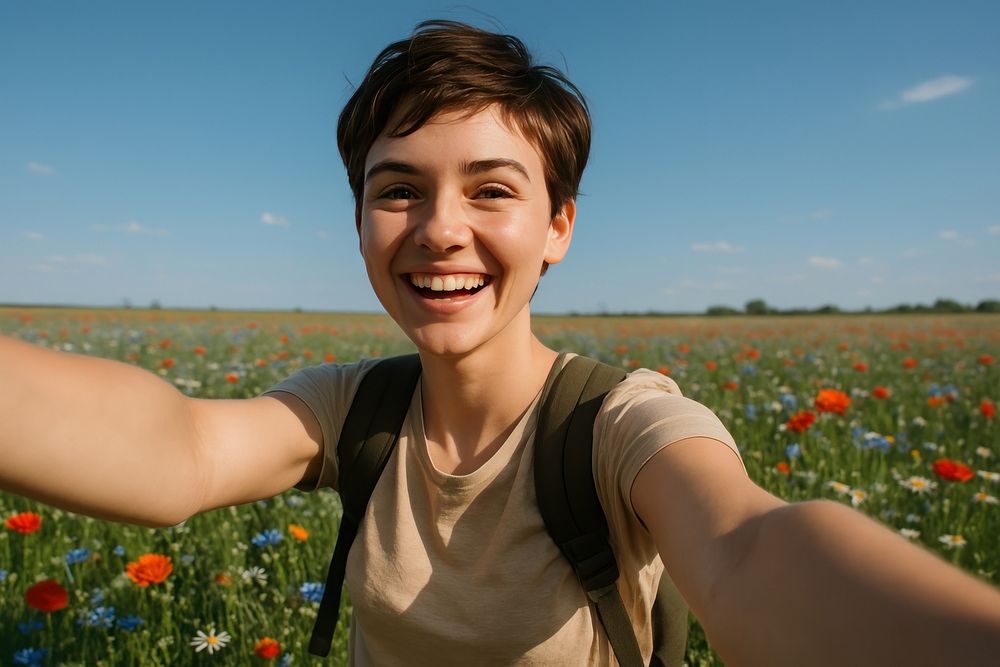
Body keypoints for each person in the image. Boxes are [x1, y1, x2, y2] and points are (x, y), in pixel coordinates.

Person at [1, 20, 998, 666]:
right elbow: (178, 448)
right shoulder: (351, 410)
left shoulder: (618, 425)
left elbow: (744, 550)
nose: (440, 229)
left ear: (558, 226)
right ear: (359, 223)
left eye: (490, 189)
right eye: (399, 188)